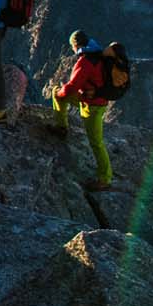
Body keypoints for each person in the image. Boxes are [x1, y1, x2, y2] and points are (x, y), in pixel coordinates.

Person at [50, 29, 119, 190]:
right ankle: (61, 127)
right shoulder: (100, 55)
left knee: (96, 143)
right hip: (97, 101)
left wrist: (61, 93)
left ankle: (105, 178)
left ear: (76, 45)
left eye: (72, 47)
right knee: (58, 93)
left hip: (93, 105)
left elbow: (72, 87)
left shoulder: (85, 62)